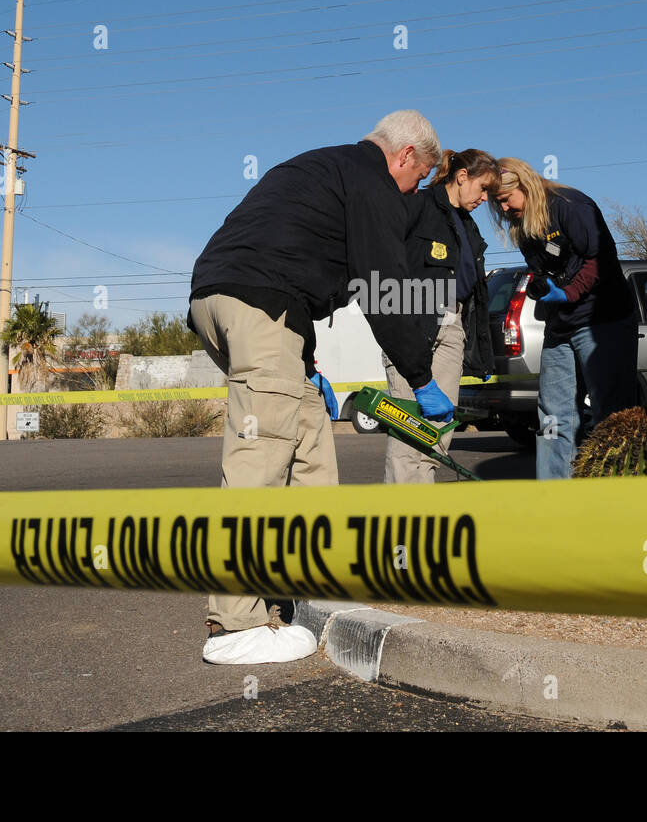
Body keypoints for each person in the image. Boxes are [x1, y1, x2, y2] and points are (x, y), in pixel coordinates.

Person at [186, 109, 457, 661]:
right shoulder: (372, 181)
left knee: (309, 446)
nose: (417, 190)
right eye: (421, 177)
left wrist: (307, 363)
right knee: (260, 460)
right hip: (259, 307)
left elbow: (291, 259)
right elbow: (383, 289)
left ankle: (303, 594)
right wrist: (422, 378)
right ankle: (233, 624)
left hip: (225, 300)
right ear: (405, 156)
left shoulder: (321, 167)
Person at [486, 157, 639, 480]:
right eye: (496, 203)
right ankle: (554, 494)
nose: (502, 209)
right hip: (561, 326)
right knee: (553, 416)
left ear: (525, 185)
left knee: (610, 412)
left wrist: (568, 293)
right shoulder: (524, 226)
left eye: (504, 200)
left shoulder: (571, 206)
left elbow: (599, 259)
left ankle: (619, 490)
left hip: (602, 320)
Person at [381, 148, 497, 483]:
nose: (485, 198)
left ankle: (425, 521)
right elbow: (386, 265)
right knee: (408, 434)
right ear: (462, 176)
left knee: (439, 434)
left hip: (452, 326)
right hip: (412, 323)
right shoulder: (416, 206)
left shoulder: (468, 227)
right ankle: (400, 529)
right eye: (483, 188)